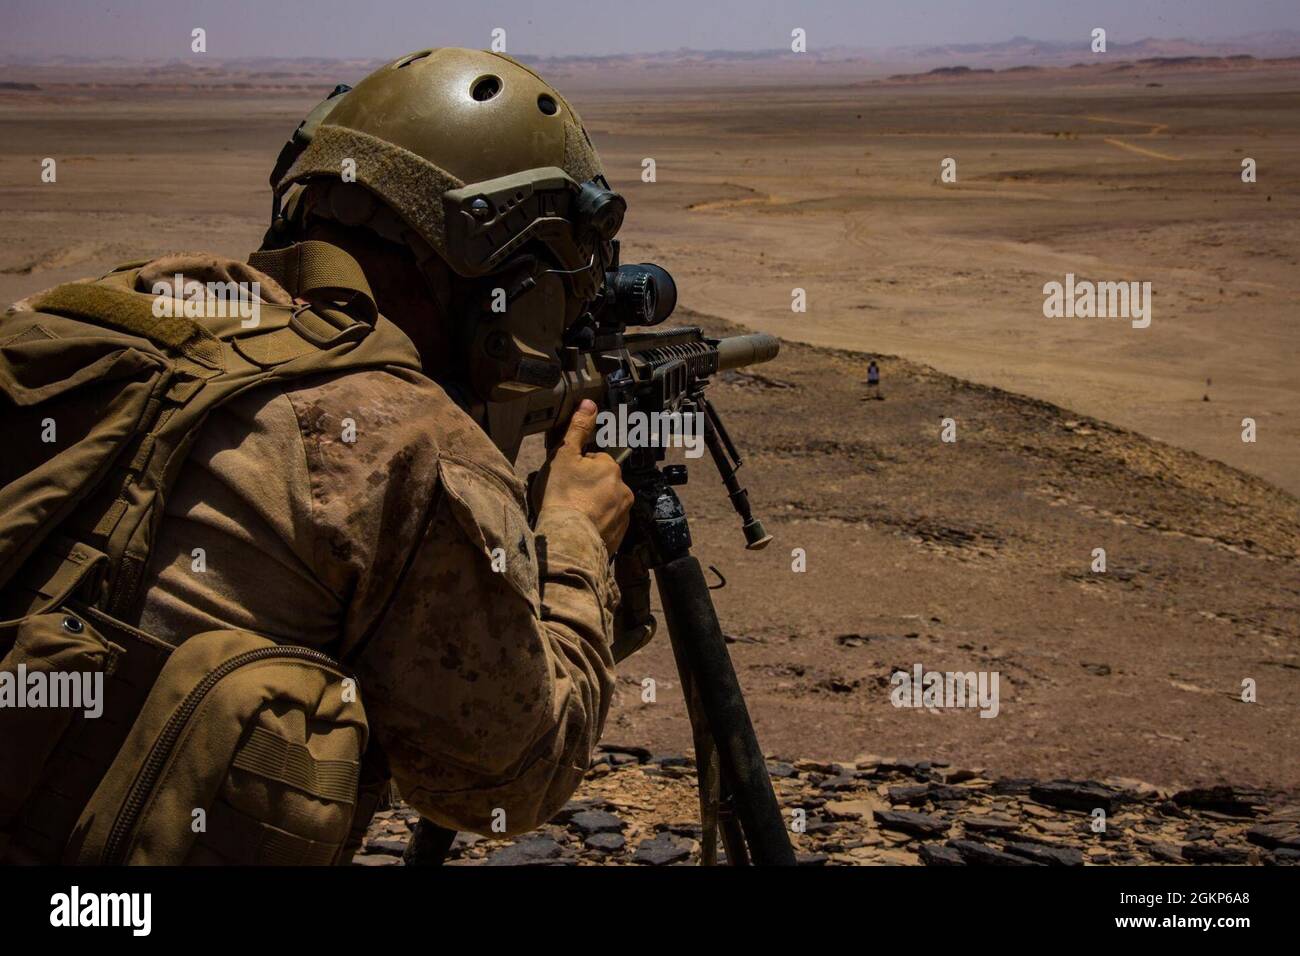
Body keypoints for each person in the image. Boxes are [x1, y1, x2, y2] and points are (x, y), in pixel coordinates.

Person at [5, 47, 633, 854]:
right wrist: (577, 536)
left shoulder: (127, 310)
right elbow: (507, 780)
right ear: (497, 268)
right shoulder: (408, 441)